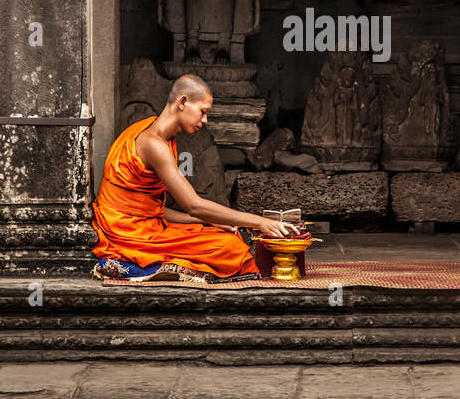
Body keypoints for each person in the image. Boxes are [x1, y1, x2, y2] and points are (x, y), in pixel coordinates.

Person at [91, 74, 302, 282]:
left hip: (143, 224)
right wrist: (260, 222)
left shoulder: (151, 129)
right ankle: (149, 265)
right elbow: (194, 206)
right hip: (128, 232)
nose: (205, 120)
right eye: (203, 112)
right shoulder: (154, 144)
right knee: (230, 248)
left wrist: (207, 221)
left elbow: (152, 209)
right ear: (182, 102)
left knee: (225, 234)